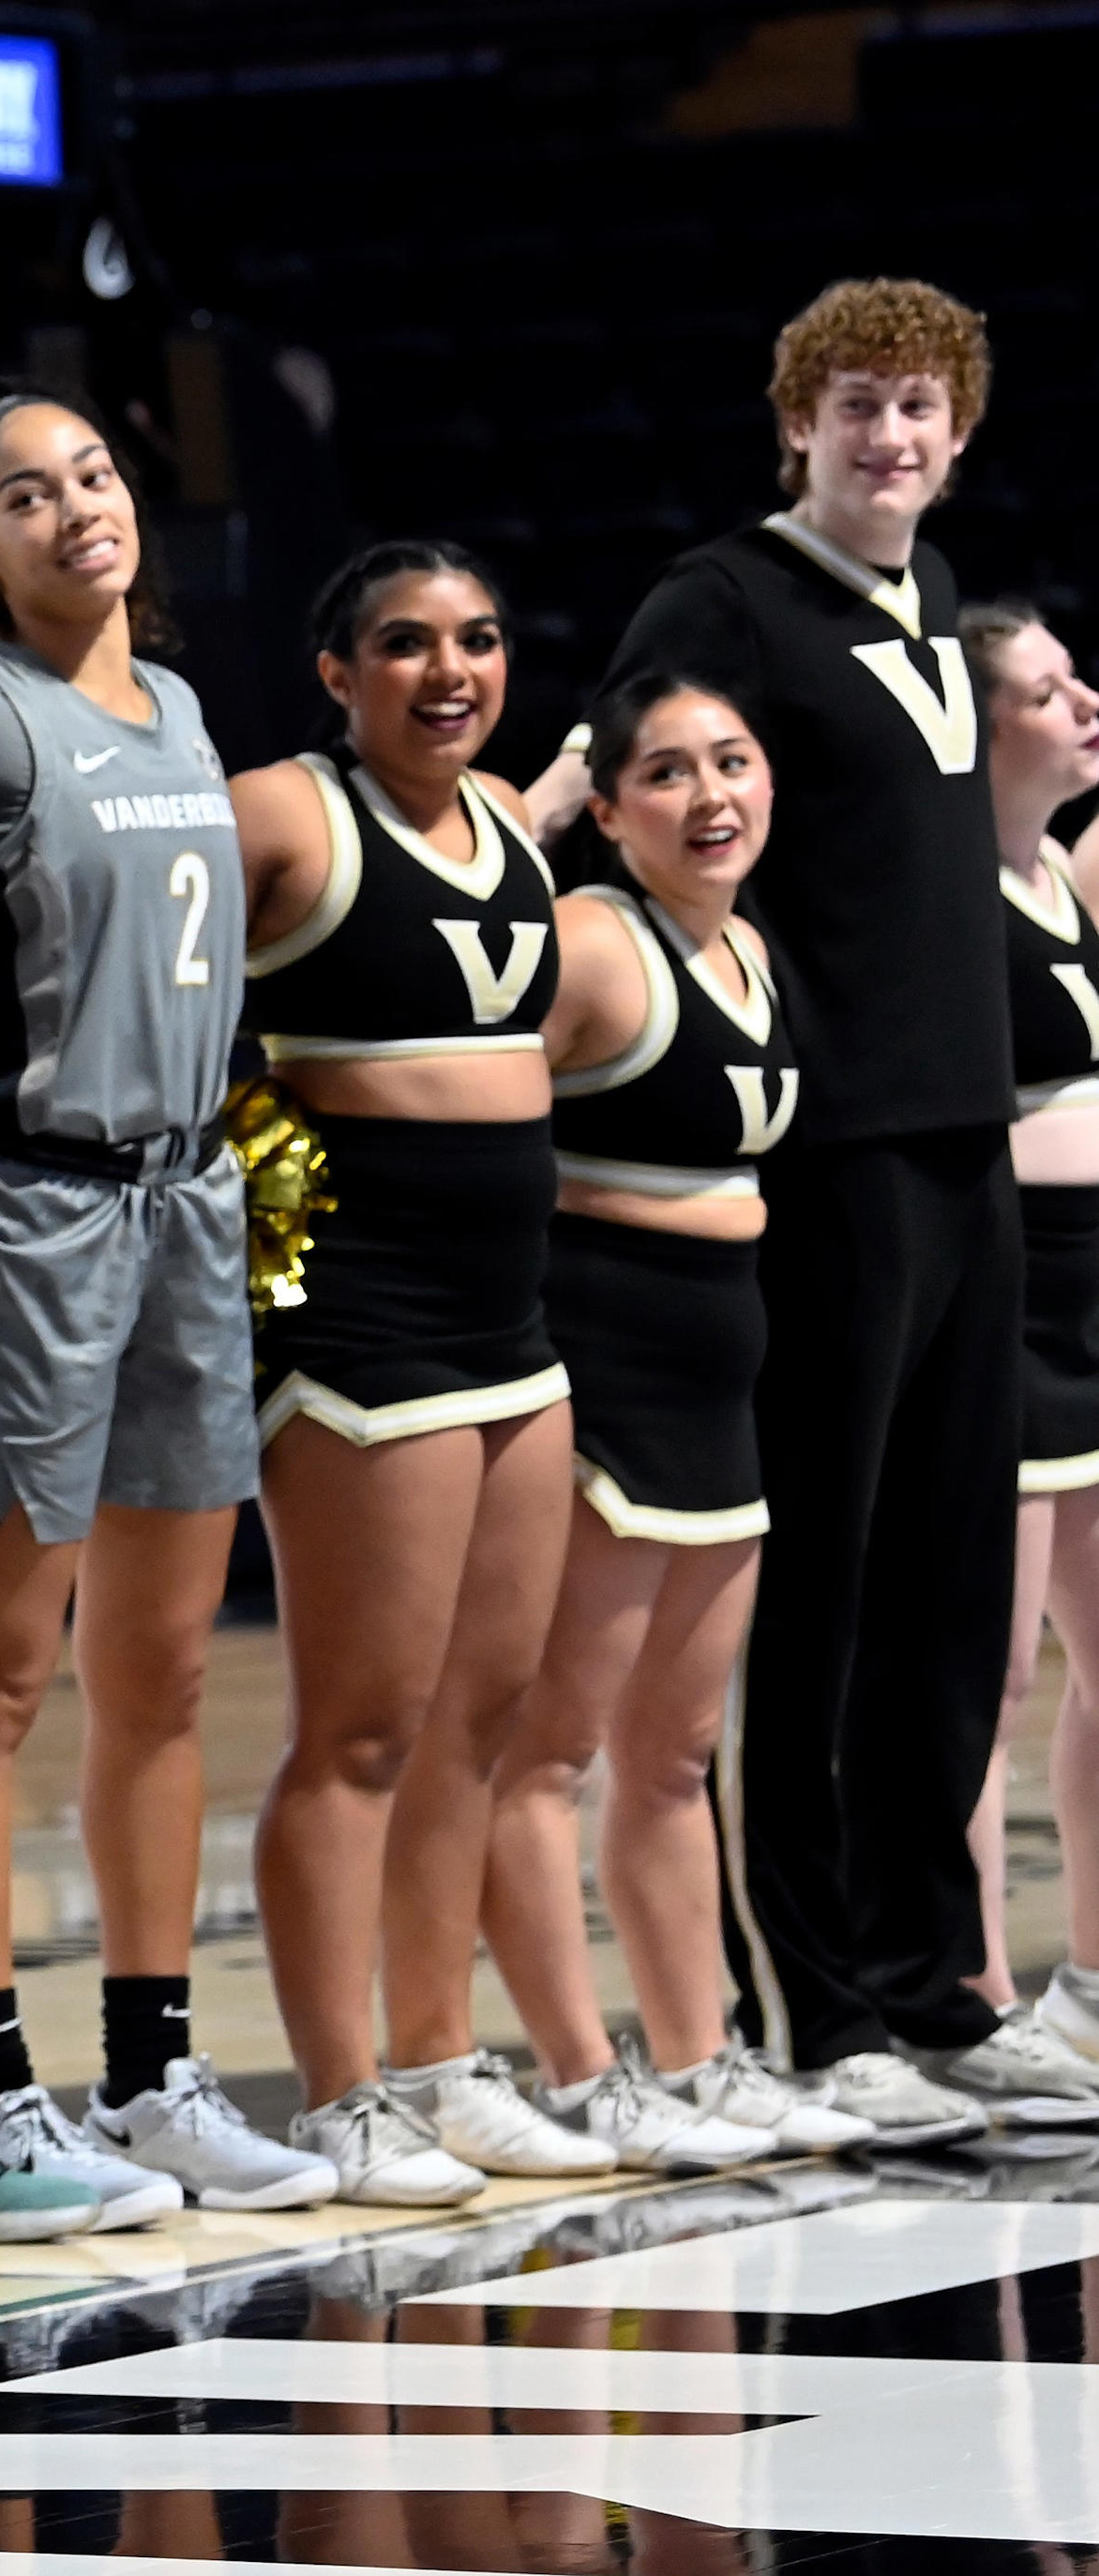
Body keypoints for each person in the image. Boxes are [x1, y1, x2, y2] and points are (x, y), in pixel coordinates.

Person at [589, 279, 1039, 2126]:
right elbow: (622, 785)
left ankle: (934, 1975)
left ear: (955, 432)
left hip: (965, 1143)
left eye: (918, 409)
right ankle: (819, 2004)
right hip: (821, 1160)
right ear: (794, 420)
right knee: (825, 1589)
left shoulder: (940, 603)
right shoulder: (722, 598)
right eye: (854, 405)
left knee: (947, 1585)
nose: (887, 437)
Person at [0, 399, 270, 2204]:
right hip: (37, 1203)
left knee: (167, 1668)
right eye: (21, 493)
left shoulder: (182, 710)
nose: (70, 509)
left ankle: (153, 2066)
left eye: (97, 475)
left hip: (191, 1201)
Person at [228, 541, 592, 2194]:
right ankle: (340, 2089)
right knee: (360, 1728)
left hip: (516, 1326)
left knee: (482, 1719)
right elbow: (157, 1006)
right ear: (336, 670)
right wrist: (256, 1200)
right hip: (363, 1325)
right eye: (406, 644)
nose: (449, 671)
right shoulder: (285, 815)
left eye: (478, 640)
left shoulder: (512, 814)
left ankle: (444, 2061)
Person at [474, 675, 866, 2165]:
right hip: (598, 1384)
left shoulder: (751, 948)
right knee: (547, 1749)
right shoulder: (583, 938)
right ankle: (579, 2071)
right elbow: (445, 987)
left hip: (723, 1395)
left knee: (673, 1749)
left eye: (731, 762)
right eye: (663, 771)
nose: (710, 795)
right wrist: (549, 793)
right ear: (612, 803)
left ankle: (699, 2056)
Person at [967, 600, 1099, 2085]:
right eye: (1046, 687)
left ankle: (1081, 1982)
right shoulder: (941, 888)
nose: (1079, 703)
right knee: (984, 1680)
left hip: (1088, 1308)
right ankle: (970, 1999)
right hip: (1000, 1309)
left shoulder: (1063, 873)